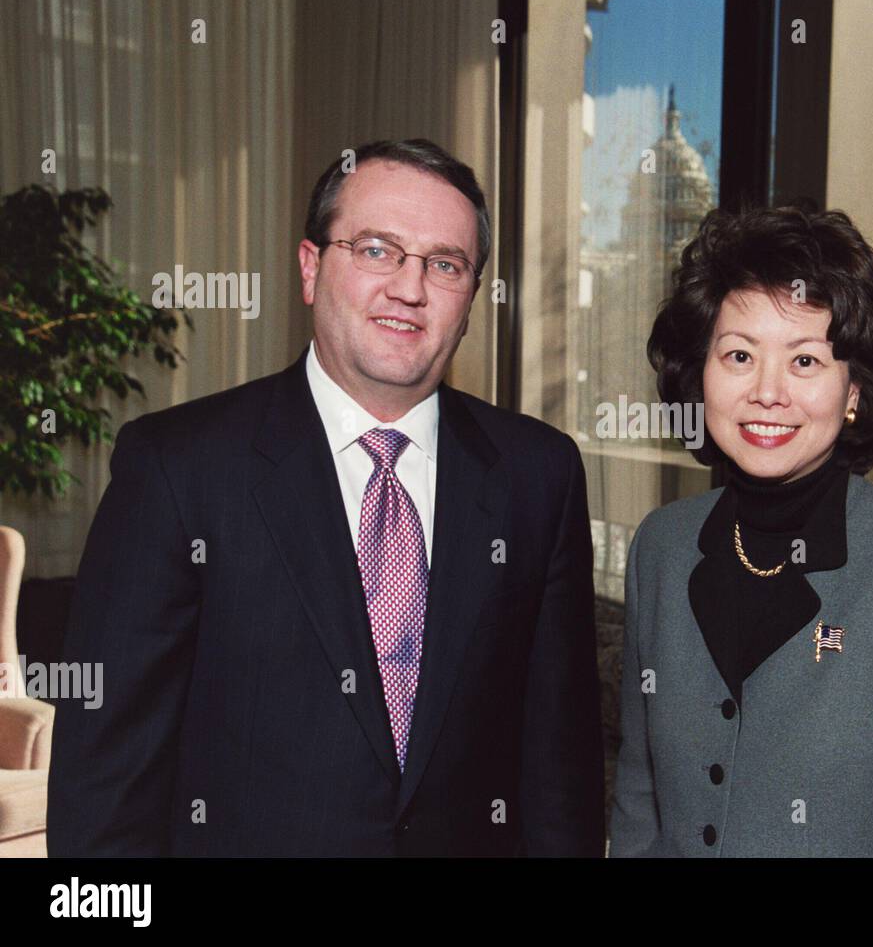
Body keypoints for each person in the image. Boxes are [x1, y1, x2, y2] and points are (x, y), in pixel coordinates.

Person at [46, 139, 605, 856]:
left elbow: (560, 769)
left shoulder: (539, 475)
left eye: (445, 264)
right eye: (377, 250)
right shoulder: (178, 467)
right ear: (311, 269)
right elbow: (105, 782)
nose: (410, 288)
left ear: (471, 300)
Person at [608, 204, 873, 857]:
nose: (767, 391)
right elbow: (641, 798)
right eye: (739, 355)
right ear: (699, 376)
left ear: (853, 391)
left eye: (805, 362)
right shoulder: (659, 549)